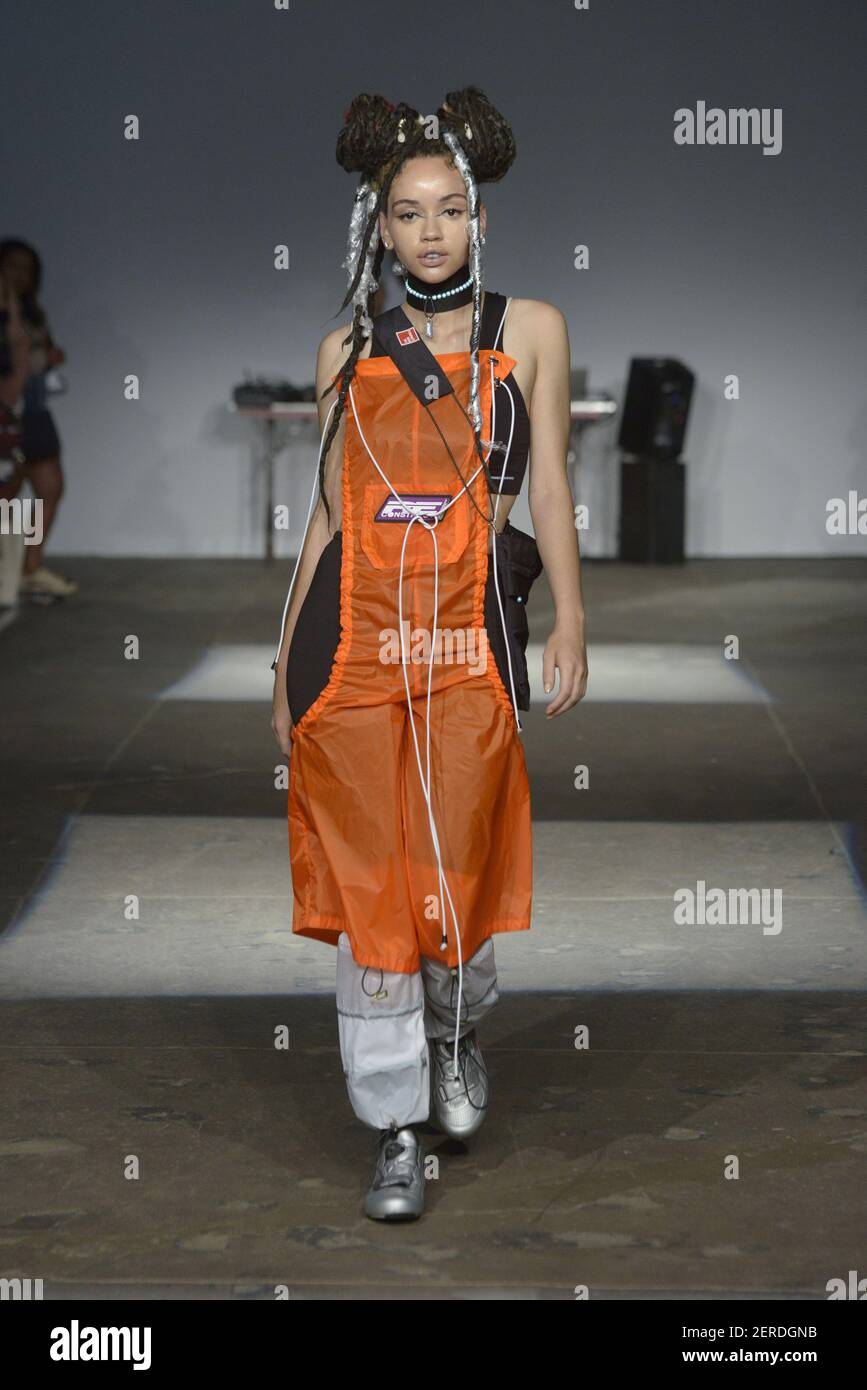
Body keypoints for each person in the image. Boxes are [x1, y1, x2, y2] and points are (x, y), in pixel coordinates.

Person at [270, 88, 587, 1221]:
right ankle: (394, 1123)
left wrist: (574, 620)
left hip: (469, 637)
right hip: (352, 643)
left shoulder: (531, 330)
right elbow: (326, 512)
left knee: (455, 867)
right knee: (372, 886)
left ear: (479, 218)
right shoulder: (342, 350)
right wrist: (282, 658)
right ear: (380, 227)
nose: (432, 229)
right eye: (409, 212)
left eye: (451, 208)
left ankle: (454, 1040)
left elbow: (548, 482)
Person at [0, 239, 77, 600]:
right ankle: (10, 573)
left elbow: (37, 357)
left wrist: (48, 355)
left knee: (49, 488)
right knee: (6, 493)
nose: (20, 274)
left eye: (27, 269)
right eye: (12, 266)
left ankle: (31, 568)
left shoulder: (34, 314)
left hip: (33, 411)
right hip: (6, 412)